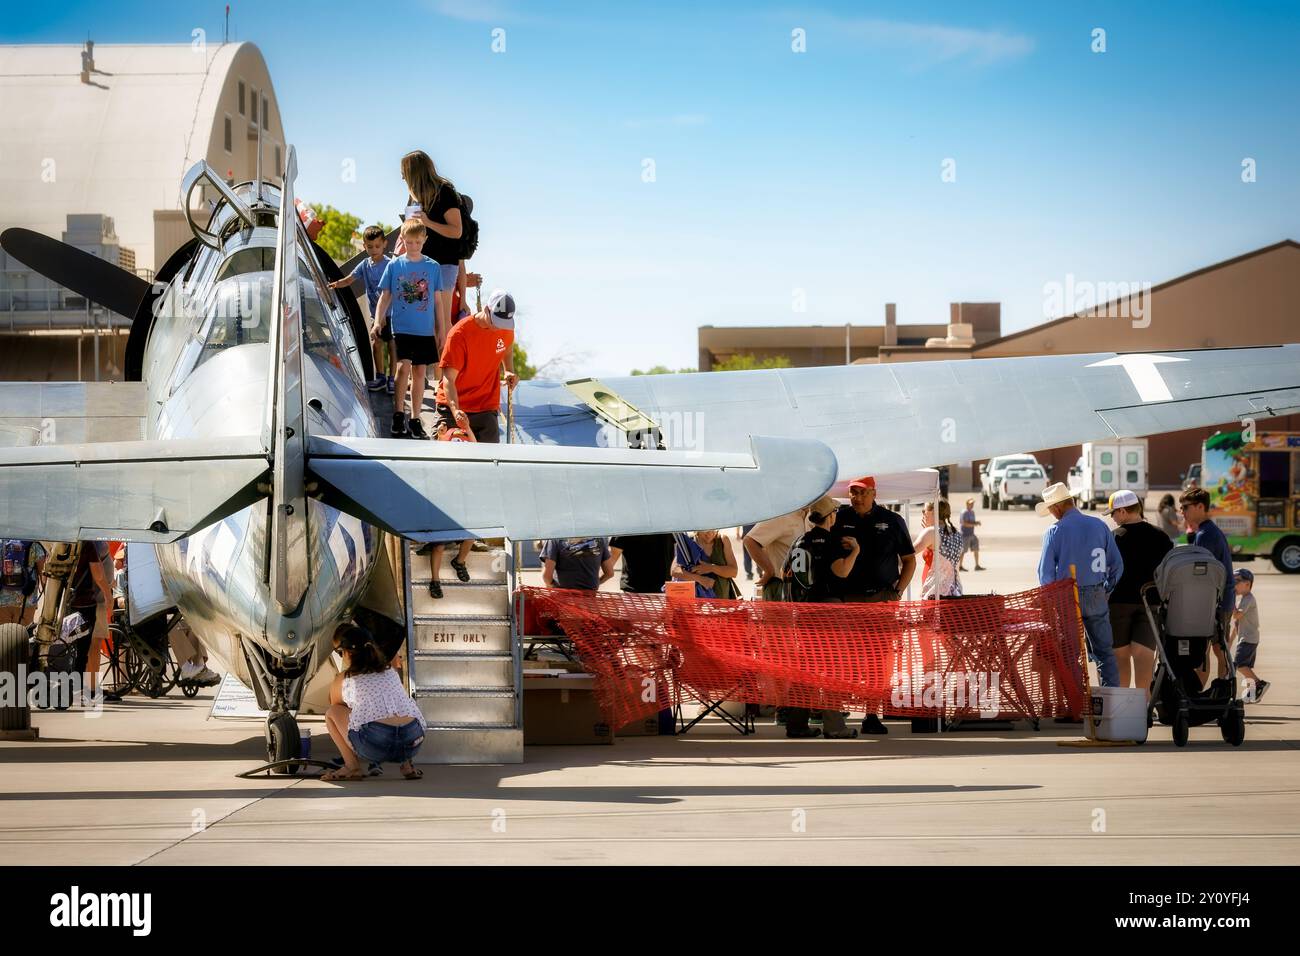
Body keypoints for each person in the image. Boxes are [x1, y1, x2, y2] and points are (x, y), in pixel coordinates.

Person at [423, 290, 519, 597]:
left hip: (487, 407)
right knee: (451, 473)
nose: (501, 325)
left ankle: (466, 543)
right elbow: (448, 379)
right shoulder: (461, 333)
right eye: (497, 318)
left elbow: (506, 350)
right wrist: (454, 411)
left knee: (486, 474)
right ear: (486, 309)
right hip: (454, 407)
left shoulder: (505, 327)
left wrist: (509, 372)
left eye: (507, 321)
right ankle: (435, 531)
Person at [834, 476, 914, 734]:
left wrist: (898, 592)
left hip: (881, 602)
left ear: (874, 493)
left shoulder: (892, 521)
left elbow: (910, 560)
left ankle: (871, 714)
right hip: (847, 600)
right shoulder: (840, 519)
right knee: (843, 658)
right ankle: (838, 713)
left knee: (878, 660)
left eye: (861, 493)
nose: (856, 498)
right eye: (852, 493)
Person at [782, 495, 860, 739]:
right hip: (828, 612)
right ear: (831, 516)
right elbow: (843, 571)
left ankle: (796, 725)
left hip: (802, 612)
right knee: (833, 668)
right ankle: (835, 726)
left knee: (803, 669)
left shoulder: (799, 542)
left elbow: (785, 573)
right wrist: (855, 551)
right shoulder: (831, 541)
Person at [1036, 482, 1123, 688]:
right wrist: (1106, 589)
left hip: (1067, 595)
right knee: (1104, 652)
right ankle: (1110, 697)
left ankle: (1076, 702)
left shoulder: (1055, 531)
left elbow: (1045, 574)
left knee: (1070, 653)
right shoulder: (1099, 526)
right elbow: (1117, 564)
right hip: (1096, 592)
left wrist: (1050, 600)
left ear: (1057, 507)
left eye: (1051, 509)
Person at [373, 218, 447, 438]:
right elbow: (385, 296)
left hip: (424, 330)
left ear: (424, 239)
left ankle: (415, 419)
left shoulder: (433, 267)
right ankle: (398, 415)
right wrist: (378, 320)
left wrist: (441, 330)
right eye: (409, 242)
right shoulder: (395, 265)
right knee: (402, 367)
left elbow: (438, 302)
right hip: (402, 326)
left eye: (417, 242)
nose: (413, 246)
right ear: (402, 240)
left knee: (420, 372)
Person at [323, 625, 425, 782]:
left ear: (348, 653)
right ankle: (407, 766)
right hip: (412, 743)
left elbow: (337, 706)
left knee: (332, 713)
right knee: (397, 709)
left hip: (376, 746)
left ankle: (352, 767)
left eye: (340, 653)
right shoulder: (390, 671)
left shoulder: (345, 678)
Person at [1105, 490, 1172, 696]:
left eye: (1114, 513)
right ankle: (1143, 707)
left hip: (1118, 604)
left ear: (1123, 511)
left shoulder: (1114, 538)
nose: (1114, 518)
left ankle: (1123, 704)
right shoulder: (1161, 536)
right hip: (1150, 603)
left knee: (1120, 654)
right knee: (1144, 653)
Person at [399, 149, 463, 327]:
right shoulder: (413, 198)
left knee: (440, 324)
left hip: (443, 263)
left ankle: (446, 356)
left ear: (415, 172)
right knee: (424, 324)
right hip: (419, 264)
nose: (402, 178)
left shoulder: (445, 191)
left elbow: (456, 230)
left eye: (404, 173)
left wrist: (428, 222)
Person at [329, 225, 395, 394]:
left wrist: (385, 315)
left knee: (393, 345)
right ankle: (380, 376)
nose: (374, 250)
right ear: (364, 246)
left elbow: (394, 290)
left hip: (391, 313)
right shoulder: (365, 265)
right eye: (370, 247)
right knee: (376, 342)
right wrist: (336, 284)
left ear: (385, 244)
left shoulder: (390, 264)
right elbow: (350, 279)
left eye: (377, 246)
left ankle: (392, 378)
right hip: (375, 314)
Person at [1179, 487, 1233, 681]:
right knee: (1215, 649)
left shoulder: (1205, 535)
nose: (1182, 512)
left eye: (1185, 507)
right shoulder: (1207, 531)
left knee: (1212, 649)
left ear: (1200, 506)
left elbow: (1200, 574)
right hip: (1220, 599)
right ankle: (1217, 690)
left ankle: (1221, 690)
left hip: (1215, 601)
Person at [66, 541, 114, 702]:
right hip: (89, 601)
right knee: (90, 646)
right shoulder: (88, 543)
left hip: (66, 602)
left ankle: (83, 688)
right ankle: (90, 689)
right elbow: (98, 573)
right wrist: (108, 595)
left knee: (72, 646)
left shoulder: (63, 542)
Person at [744, 506, 810, 601]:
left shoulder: (807, 515)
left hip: (801, 588)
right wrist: (769, 571)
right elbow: (750, 540)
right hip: (781, 587)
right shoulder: (781, 515)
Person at [1230, 568, 1268, 702]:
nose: (1233, 584)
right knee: (1246, 666)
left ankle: (1259, 684)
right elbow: (1237, 623)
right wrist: (1231, 641)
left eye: (1237, 581)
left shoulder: (1248, 599)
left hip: (1248, 638)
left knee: (1240, 665)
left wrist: (1230, 600)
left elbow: (1236, 615)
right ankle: (1252, 693)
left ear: (1247, 584)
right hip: (1247, 638)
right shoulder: (1243, 599)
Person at [913, 499, 963, 599]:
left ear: (933, 512)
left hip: (935, 592)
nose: (923, 514)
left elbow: (908, 552)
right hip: (954, 590)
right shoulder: (956, 533)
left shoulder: (932, 532)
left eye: (924, 511)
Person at [671, 530, 739, 599]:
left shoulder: (723, 540)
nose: (709, 533)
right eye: (705, 530)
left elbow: (734, 572)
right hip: (697, 604)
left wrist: (711, 568)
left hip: (723, 602)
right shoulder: (688, 542)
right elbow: (674, 571)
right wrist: (700, 579)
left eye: (713, 529)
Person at [609, 533, 675, 595]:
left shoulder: (625, 526)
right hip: (638, 589)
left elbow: (610, 563)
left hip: (637, 589)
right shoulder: (669, 524)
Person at [541, 537, 615, 590]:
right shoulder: (599, 539)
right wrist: (596, 584)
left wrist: (555, 587)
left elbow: (546, 577)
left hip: (563, 599)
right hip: (590, 598)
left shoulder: (555, 538)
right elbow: (609, 573)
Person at [0, 539, 44, 626]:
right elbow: (44, 574)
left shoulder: (1, 542)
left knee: (3, 635)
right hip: (26, 600)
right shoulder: (34, 544)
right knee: (22, 634)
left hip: (2, 600)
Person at [958, 498, 985, 571]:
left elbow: (971, 522)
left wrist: (976, 522)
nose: (972, 505)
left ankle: (977, 565)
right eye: (970, 503)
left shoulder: (972, 512)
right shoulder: (964, 512)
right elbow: (964, 523)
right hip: (965, 534)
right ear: (967, 504)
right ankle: (960, 566)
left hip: (971, 533)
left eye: (972, 503)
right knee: (963, 551)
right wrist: (975, 524)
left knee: (976, 549)